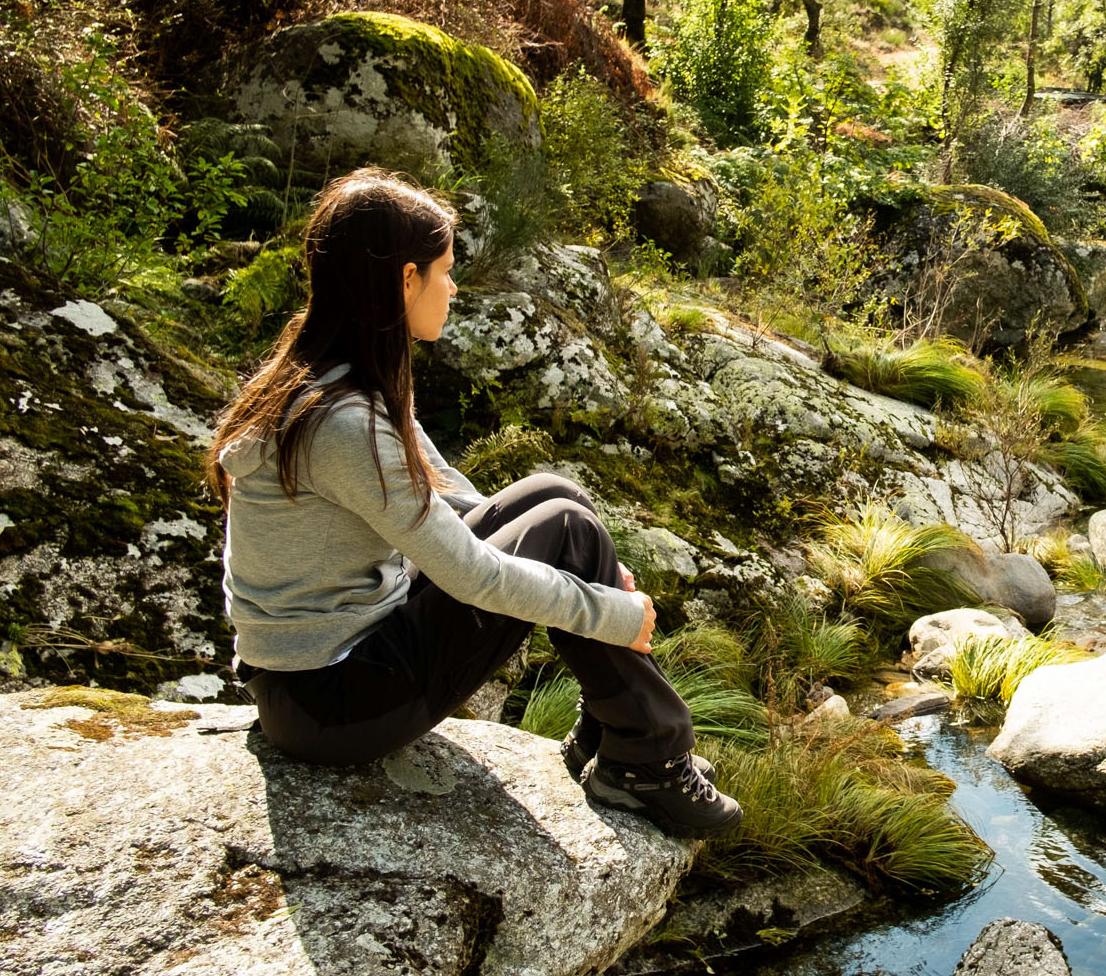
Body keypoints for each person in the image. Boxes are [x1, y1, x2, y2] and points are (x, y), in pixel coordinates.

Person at [207, 167, 740, 837]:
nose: (452, 286)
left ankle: (622, 735)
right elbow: (471, 575)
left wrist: (580, 560)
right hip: (331, 705)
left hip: (314, 681)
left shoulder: (329, 375)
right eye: (444, 270)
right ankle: (649, 753)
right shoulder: (344, 425)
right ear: (405, 280)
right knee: (563, 526)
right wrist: (611, 612)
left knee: (559, 500)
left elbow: (446, 490)